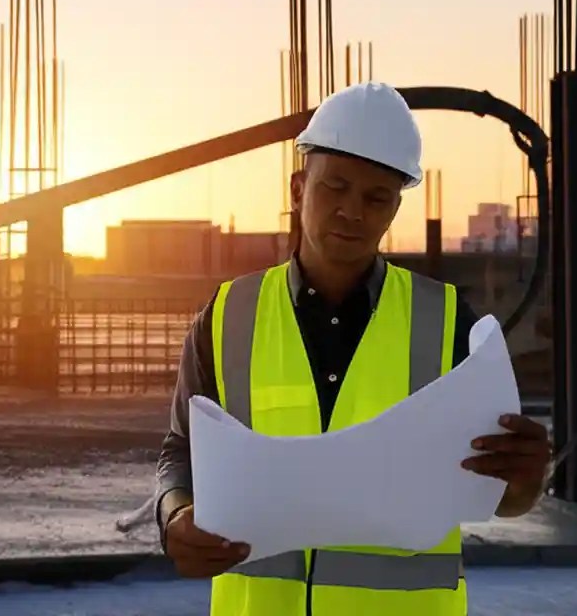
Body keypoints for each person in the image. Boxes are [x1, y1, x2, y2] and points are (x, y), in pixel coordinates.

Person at [153, 82, 552, 615]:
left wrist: (527, 480)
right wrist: (175, 514)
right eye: (334, 187)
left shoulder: (451, 324)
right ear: (298, 189)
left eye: (375, 197)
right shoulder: (227, 317)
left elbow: (502, 496)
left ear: (394, 208)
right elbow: (181, 451)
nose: (351, 211)